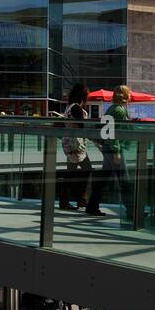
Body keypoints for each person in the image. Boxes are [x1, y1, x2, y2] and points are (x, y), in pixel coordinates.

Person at [104, 84, 137, 224]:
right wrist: (116, 151)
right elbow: (112, 132)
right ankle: (131, 211)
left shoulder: (114, 108)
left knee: (105, 177)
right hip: (115, 150)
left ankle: (92, 204)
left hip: (110, 148)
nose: (130, 95)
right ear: (124, 95)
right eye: (129, 93)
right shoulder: (119, 110)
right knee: (125, 181)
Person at [60, 82, 91, 212]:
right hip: (76, 144)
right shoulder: (77, 108)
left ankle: (66, 200)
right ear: (82, 96)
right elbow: (82, 126)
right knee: (87, 169)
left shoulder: (69, 107)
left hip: (68, 143)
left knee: (71, 173)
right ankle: (81, 198)